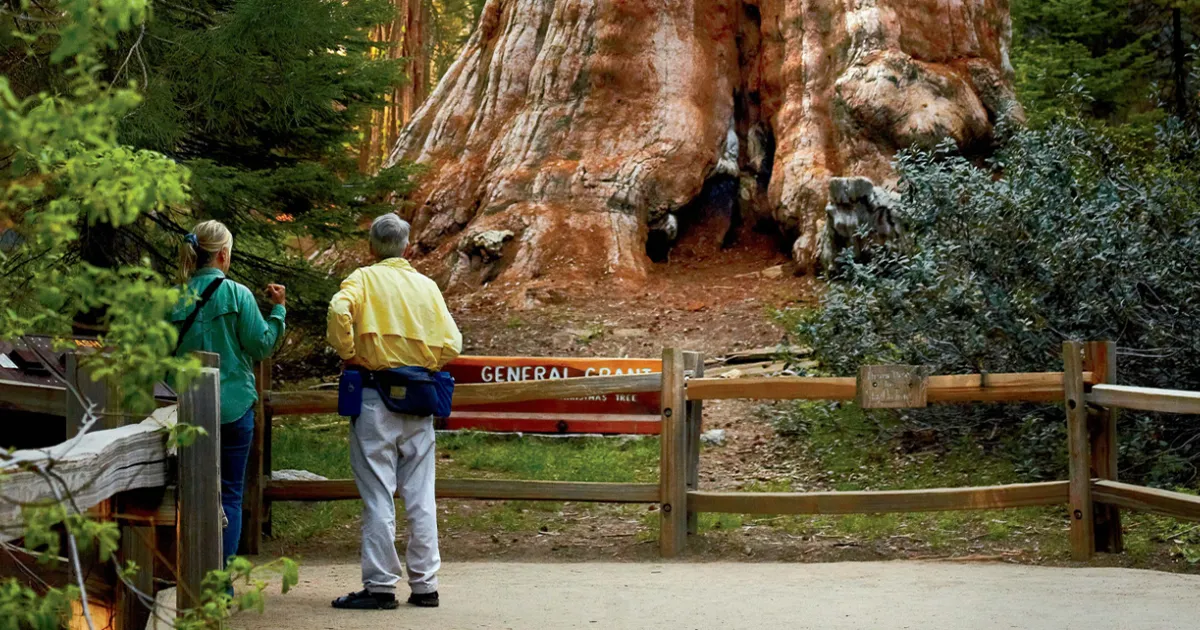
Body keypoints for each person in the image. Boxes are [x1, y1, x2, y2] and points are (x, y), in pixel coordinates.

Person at [327, 214, 462, 611]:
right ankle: (425, 586)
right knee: (421, 495)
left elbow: (339, 311)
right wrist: (427, 364)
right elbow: (453, 342)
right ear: (406, 246)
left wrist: (350, 354)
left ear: (372, 247)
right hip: (419, 398)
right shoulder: (427, 287)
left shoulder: (362, 280)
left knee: (378, 494)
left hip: (373, 396)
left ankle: (381, 586)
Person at [171, 220, 286, 566]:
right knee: (230, 495)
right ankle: (219, 588)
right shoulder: (238, 295)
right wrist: (278, 310)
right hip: (234, 411)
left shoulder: (173, 299)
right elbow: (262, 345)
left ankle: (190, 576)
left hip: (187, 411)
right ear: (223, 254)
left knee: (191, 495)